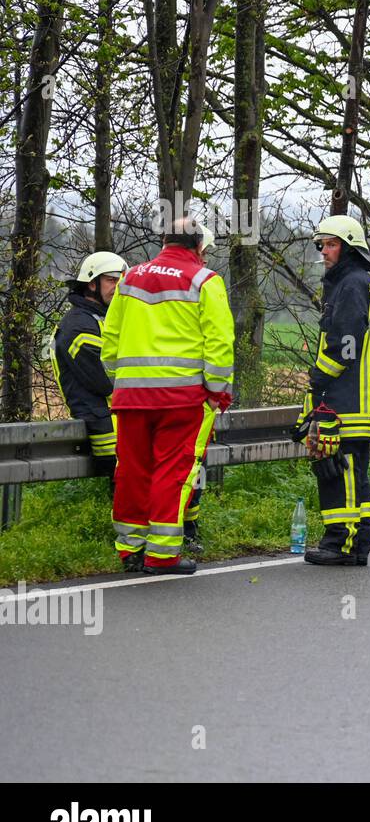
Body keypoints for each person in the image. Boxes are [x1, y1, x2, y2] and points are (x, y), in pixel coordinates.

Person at [101, 218, 235, 575]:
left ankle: (130, 551)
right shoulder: (205, 281)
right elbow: (219, 344)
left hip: (131, 397)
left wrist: (122, 381)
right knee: (172, 473)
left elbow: (110, 340)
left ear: (164, 242)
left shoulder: (129, 278)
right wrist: (217, 393)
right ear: (199, 248)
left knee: (132, 471)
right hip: (182, 399)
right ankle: (161, 556)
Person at [294, 215, 370, 566]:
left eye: (331, 245)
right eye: (322, 245)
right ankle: (359, 541)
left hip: (346, 399)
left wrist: (318, 381)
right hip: (357, 399)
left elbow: (345, 345)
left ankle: (340, 544)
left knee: (339, 468)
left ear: (349, 248)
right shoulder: (360, 282)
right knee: (353, 473)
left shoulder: (351, 284)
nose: (324, 251)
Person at [51, 252, 128, 480]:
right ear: (92, 284)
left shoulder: (104, 319)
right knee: (125, 500)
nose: (118, 288)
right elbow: (104, 380)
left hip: (119, 422)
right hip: (104, 429)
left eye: (121, 282)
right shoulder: (78, 325)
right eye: (112, 281)